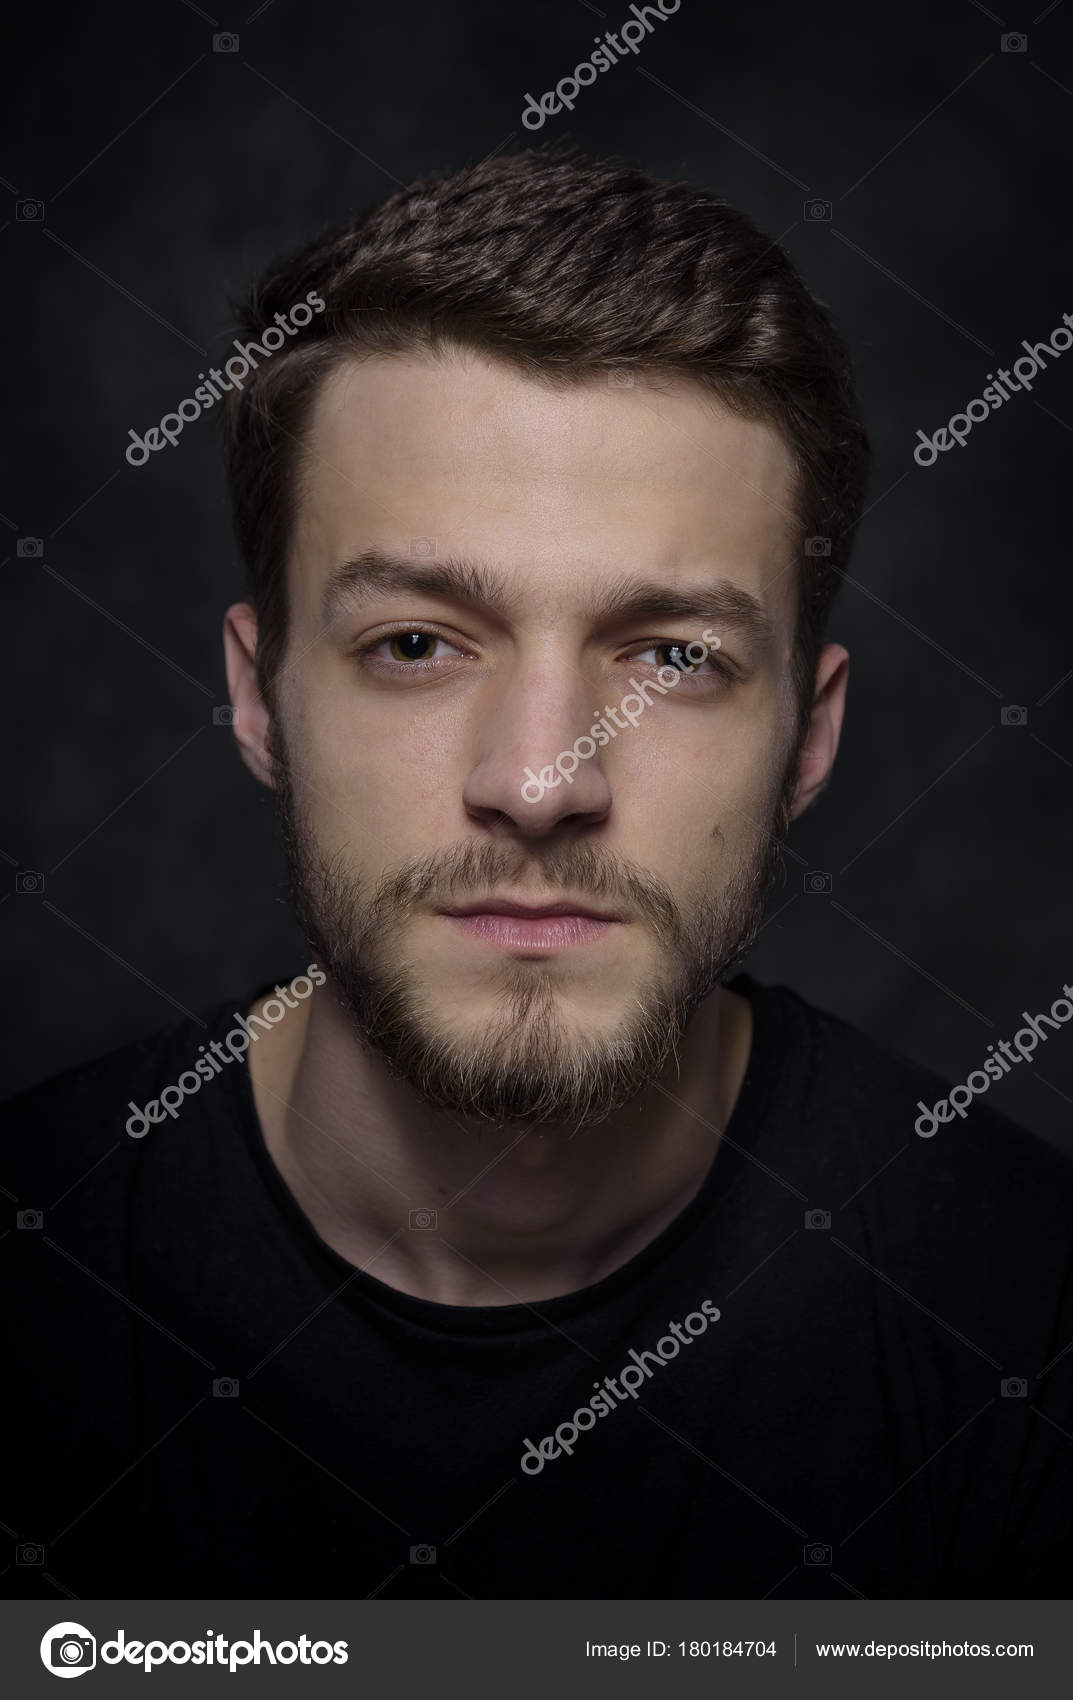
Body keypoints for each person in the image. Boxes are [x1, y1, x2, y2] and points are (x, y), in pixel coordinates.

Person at [4, 147, 1071, 1601]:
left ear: (807, 736)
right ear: (259, 699)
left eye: (673, 658)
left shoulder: (1024, 1327)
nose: (539, 780)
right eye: (417, 644)